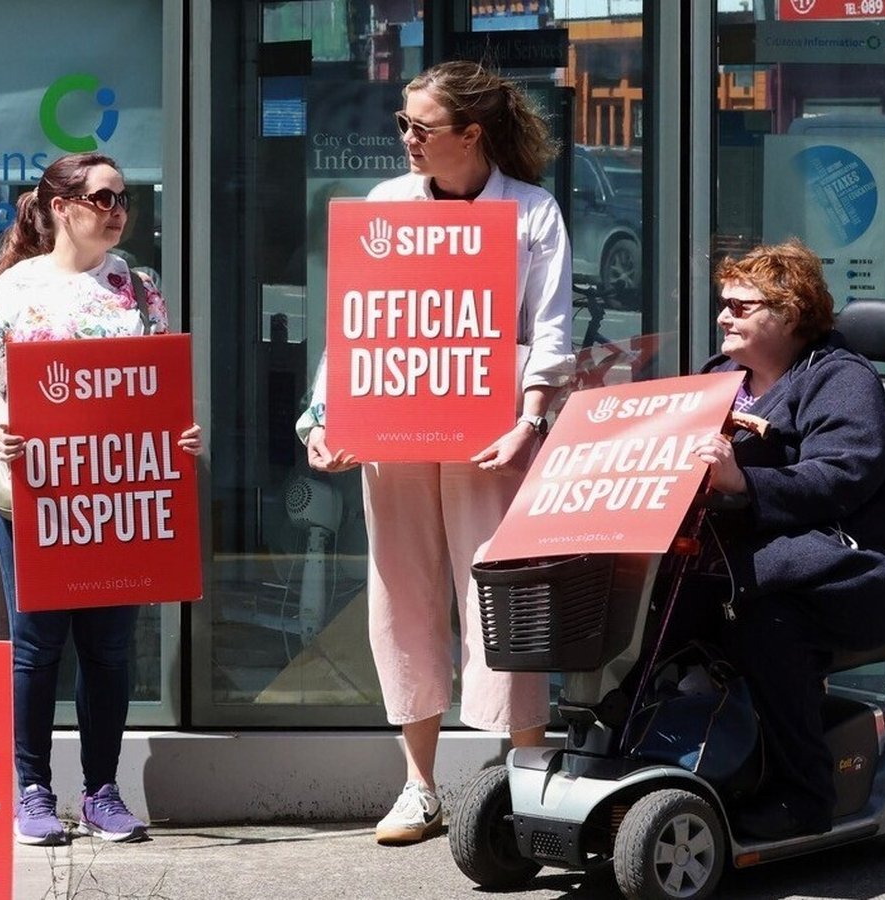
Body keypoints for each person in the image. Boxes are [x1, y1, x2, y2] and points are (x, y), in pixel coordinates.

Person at [297, 60, 575, 846]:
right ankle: (419, 786)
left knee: (503, 598)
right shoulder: (386, 205)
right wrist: (324, 419)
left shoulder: (530, 212)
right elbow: (355, 325)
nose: (407, 140)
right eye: (402, 125)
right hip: (392, 431)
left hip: (491, 438)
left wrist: (528, 421)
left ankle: (529, 780)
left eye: (420, 128)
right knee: (402, 598)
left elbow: (552, 329)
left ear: (471, 134)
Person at [0, 152, 203, 846]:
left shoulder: (138, 286)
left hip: (116, 497)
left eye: (125, 197)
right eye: (102, 198)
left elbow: (156, 383)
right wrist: (7, 428)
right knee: (36, 648)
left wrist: (178, 435)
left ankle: (102, 790)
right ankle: (32, 791)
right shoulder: (15, 290)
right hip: (37, 495)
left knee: (109, 648)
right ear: (61, 207)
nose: (118, 210)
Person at [692, 239, 885, 841]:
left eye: (740, 308)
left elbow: (840, 477)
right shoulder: (719, 377)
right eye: (724, 305)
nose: (723, 317)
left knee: (764, 623)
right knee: (658, 605)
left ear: (790, 314)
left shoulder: (840, 379)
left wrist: (744, 479)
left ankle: (804, 795)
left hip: (851, 567)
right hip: (755, 561)